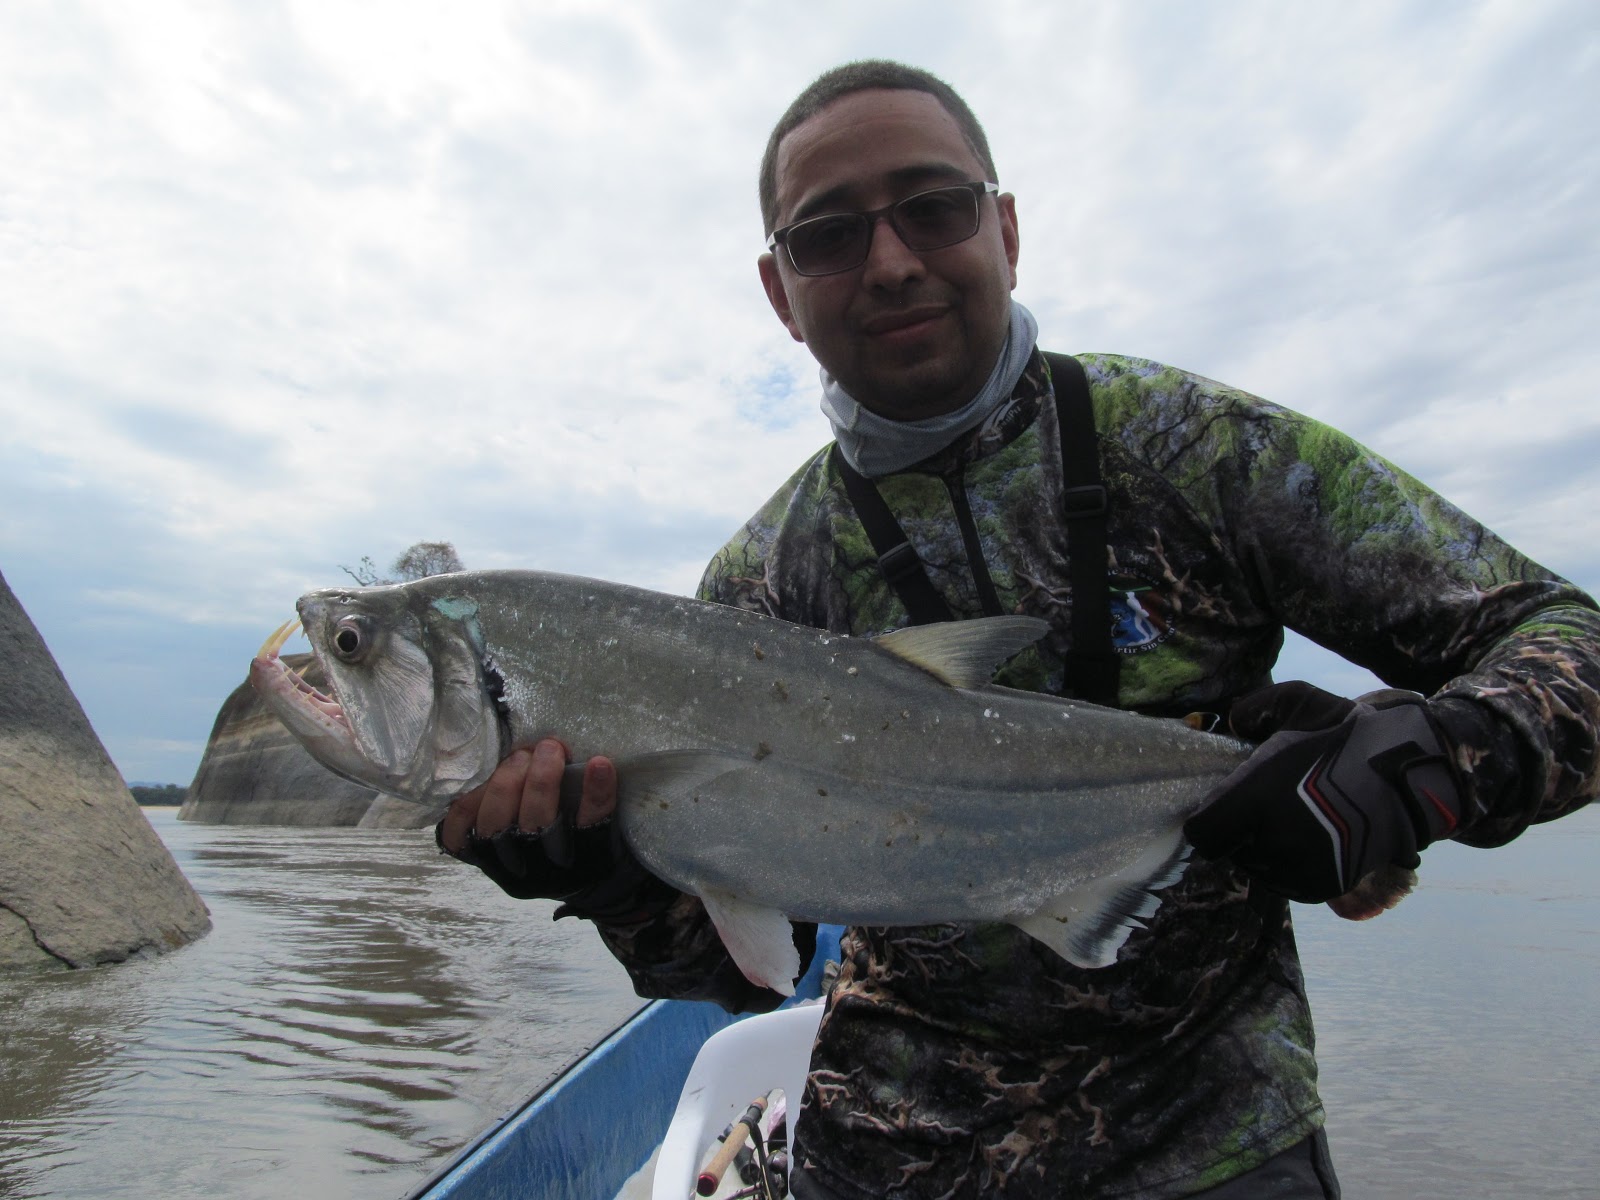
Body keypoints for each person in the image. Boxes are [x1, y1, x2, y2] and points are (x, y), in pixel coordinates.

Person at [438, 61, 1600, 1199]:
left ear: (1005, 229)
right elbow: (753, 970)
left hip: (1214, 1140)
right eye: (829, 235)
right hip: (887, 1157)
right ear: (779, 290)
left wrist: (1415, 774)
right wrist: (608, 880)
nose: (889, 262)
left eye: (931, 209)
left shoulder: (1197, 451)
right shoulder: (759, 583)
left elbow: (1567, 637)